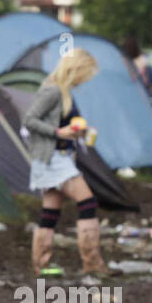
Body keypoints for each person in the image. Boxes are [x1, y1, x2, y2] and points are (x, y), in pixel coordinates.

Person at [23, 48, 107, 282]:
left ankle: (41, 264)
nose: (85, 80)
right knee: (87, 202)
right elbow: (29, 120)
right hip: (53, 159)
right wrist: (59, 131)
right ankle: (92, 264)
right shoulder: (52, 90)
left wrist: (80, 132)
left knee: (50, 213)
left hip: (57, 157)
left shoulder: (63, 91)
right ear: (76, 70)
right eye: (85, 74)